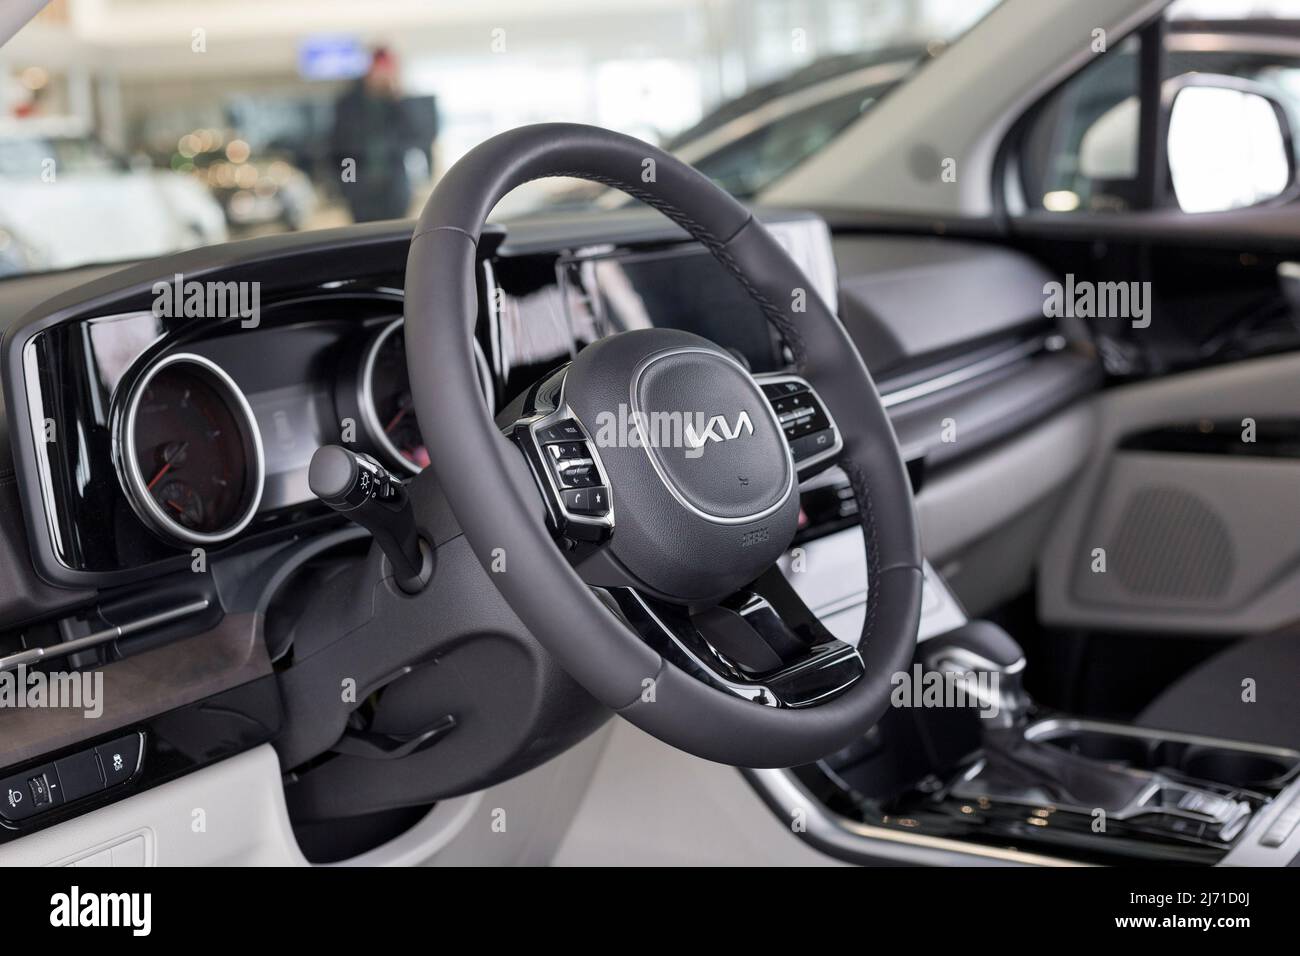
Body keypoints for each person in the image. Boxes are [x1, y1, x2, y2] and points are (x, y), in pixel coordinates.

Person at [330, 47, 424, 222]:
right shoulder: (349, 102)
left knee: (393, 235)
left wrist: (398, 99)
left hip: (393, 186)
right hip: (360, 186)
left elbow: (414, 136)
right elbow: (339, 147)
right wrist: (346, 185)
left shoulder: (396, 102)